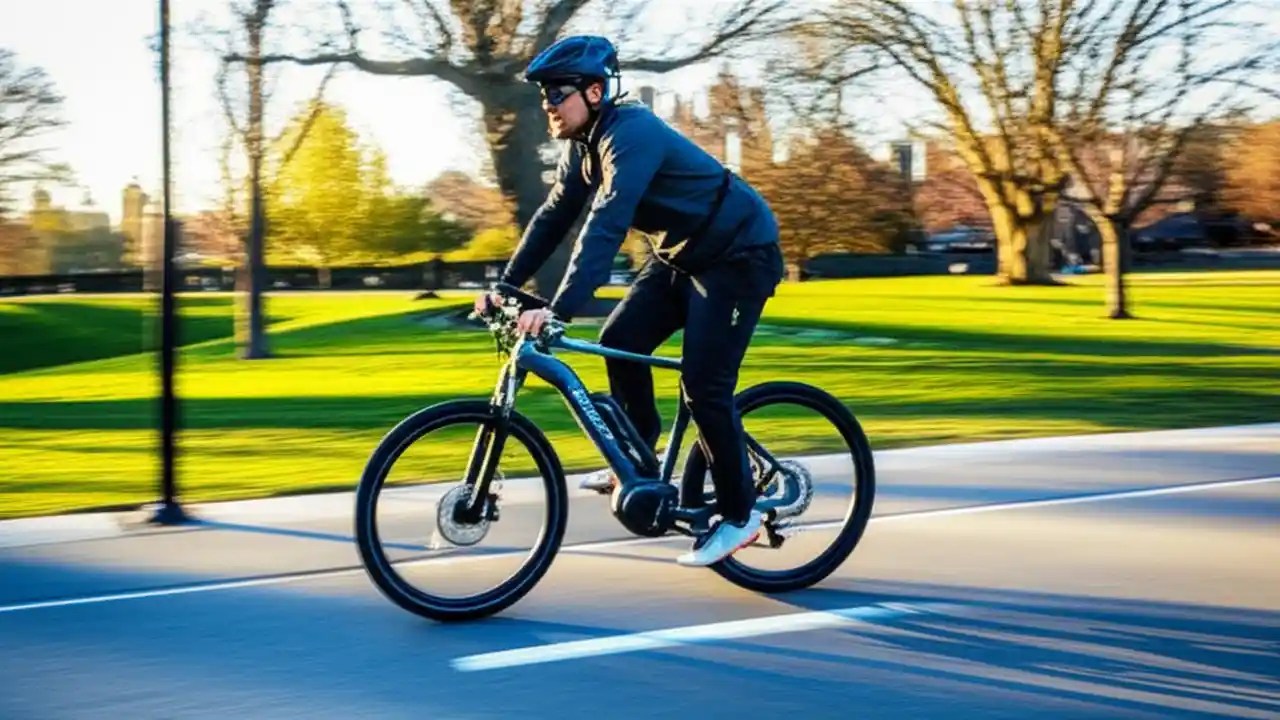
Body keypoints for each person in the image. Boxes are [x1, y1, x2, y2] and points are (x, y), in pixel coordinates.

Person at [473, 35, 785, 567]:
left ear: (595, 91)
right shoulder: (583, 147)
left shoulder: (631, 134)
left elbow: (607, 222)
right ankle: (639, 454)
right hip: (682, 257)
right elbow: (553, 217)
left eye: (556, 93)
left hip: (739, 256)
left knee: (704, 387)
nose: (547, 104)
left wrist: (560, 307)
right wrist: (507, 284)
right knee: (618, 340)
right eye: (544, 95)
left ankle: (741, 515)